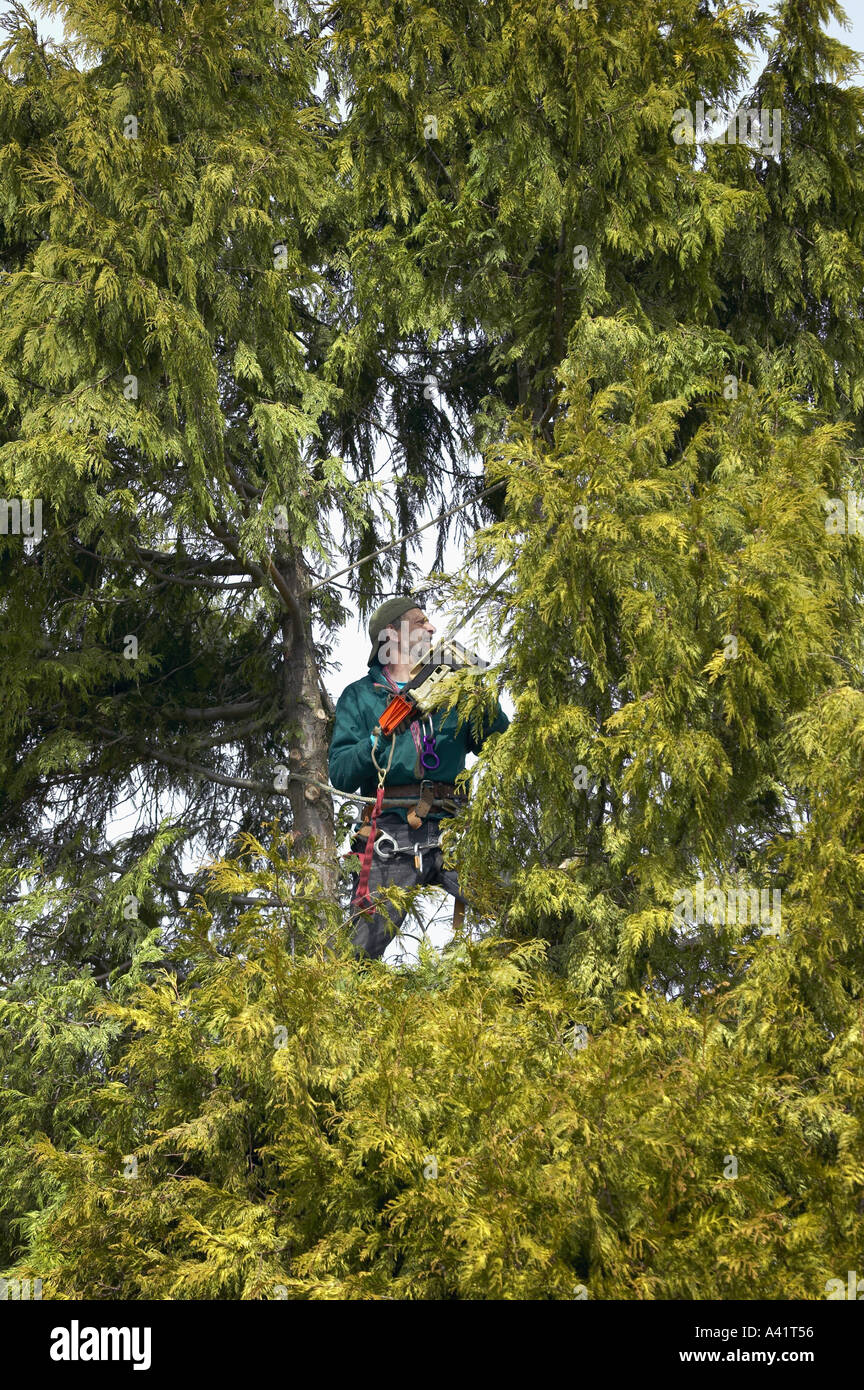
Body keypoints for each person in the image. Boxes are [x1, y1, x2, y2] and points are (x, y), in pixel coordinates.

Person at [328, 596, 509, 959]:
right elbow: (341, 774)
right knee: (359, 949)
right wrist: (378, 740)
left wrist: (477, 692)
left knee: (514, 909)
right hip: (391, 835)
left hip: (454, 827)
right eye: (420, 621)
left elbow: (501, 744)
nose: (432, 628)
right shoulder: (361, 697)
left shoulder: (451, 690)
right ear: (392, 635)